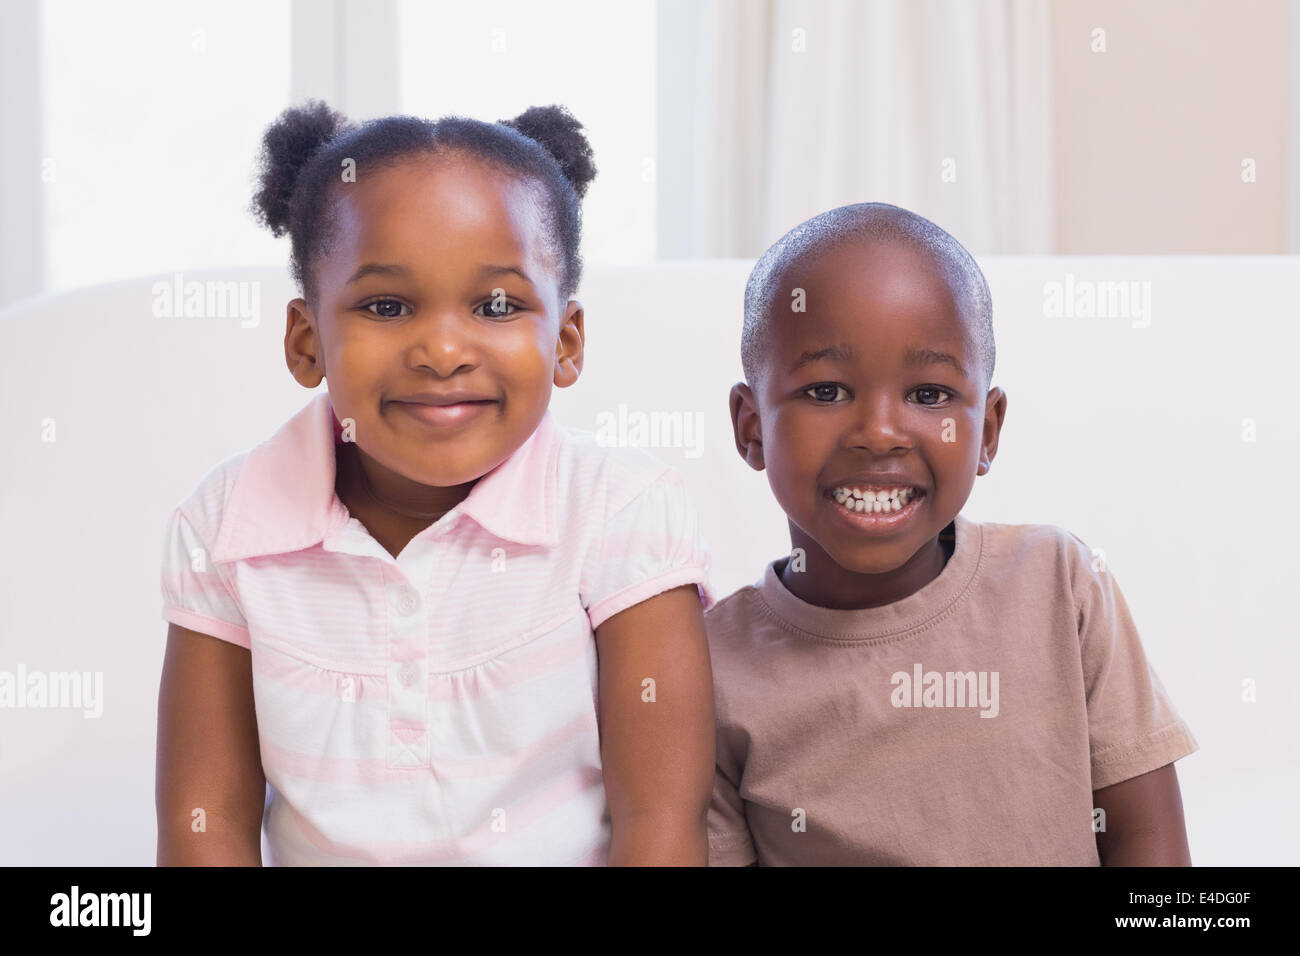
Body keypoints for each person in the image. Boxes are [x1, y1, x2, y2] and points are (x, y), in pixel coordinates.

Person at [156, 101, 715, 865]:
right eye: (386, 306)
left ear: (567, 342)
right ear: (306, 340)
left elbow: (661, 825)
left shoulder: (622, 512)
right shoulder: (227, 523)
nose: (444, 350)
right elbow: (206, 829)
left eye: (497, 305)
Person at [706, 202, 1197, 865]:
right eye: (825, 392)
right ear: (751, 426)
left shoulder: (1060, 584)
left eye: (930, 395)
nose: (880, 432)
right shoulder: (710, 667)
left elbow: (1149, 848)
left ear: (987, 431)